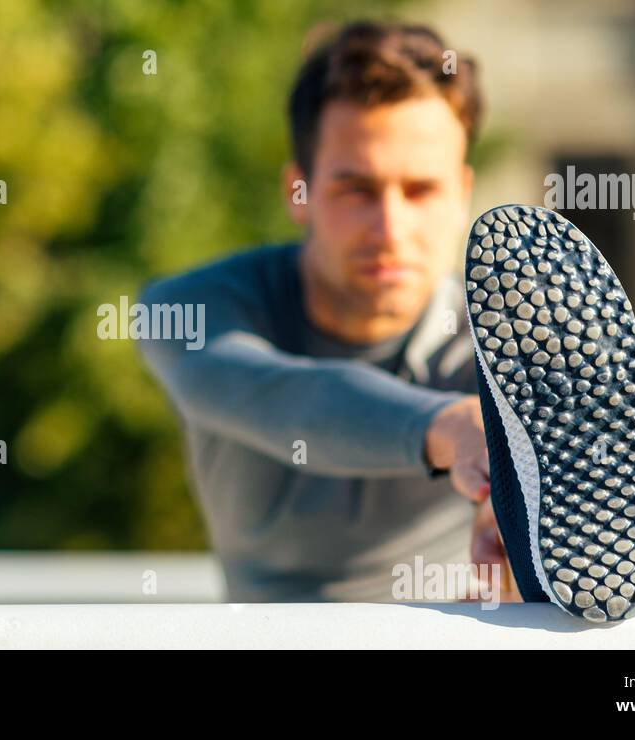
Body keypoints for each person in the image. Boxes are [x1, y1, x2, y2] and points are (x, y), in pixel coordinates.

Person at [137, 20, 519, 603]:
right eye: (357, 190)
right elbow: (284, 397)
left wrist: (524, 542)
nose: (390, 229)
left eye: (421, 190)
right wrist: (450, 428)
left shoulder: (510, 347)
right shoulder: (189, 311)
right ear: (299, 190)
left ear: (462, 191)